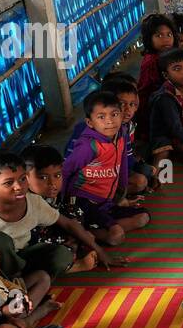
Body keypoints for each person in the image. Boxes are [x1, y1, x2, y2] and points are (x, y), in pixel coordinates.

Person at [0, 151, 105, 278]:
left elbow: (67, 223)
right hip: (0, 267)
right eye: (9, 183)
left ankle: (26, 278)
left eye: (22, 179)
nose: (19, 187)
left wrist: (99, 250)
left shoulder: (33, 201)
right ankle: (21, 279)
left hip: (25, 256)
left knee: (62, 254)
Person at [60, 90, 150, 248]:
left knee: (143, 217)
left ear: (121, 115)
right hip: (84, 201)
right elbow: (65, 172)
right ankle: (78, 232)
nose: (110, 121)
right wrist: (62, 207)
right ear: (90, 122)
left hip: (105, 201)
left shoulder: (121, 134)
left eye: (114, 114)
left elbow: (122, 168)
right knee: (116, 237)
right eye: (101, 117)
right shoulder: (89, 146)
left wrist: (120, 196)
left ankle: (92, 227)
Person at [22, 146, 99, 274]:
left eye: (57, 175)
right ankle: (71, 261)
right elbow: (31, 239)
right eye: (43, 177)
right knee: (62, 252)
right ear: (25, 177)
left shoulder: (56, 194)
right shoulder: (27, 201)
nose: (52, 183)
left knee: (74, 210)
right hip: (33, 243)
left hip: (53, 230)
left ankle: (72, 246)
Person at [136, 12, 178, 115]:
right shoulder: (151, 62)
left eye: (169, 34)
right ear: (149, 39)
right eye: (159, 35)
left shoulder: (169, 56)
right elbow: (154, 91)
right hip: (153, 109)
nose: (166, 39)